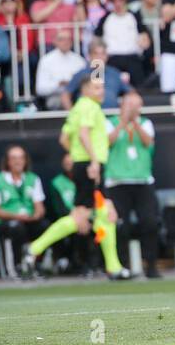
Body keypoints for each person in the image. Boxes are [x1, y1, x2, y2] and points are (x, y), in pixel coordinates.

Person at [21, 74, 130, 280]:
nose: (102, 92)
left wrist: (77, 155)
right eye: (97, 89)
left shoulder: (76, 109)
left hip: (84, 164)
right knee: (81, 215)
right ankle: (34, 249)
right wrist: (93, 161)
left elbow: (64, 138)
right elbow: (83, 134)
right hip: (91, 165)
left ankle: (114, 267)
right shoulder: (90, 107)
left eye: (102, 88)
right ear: (86, 90)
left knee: (105, 214)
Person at [104, 90, 161, 279]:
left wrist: (134, 122)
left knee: (150, 222)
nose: (135, 109)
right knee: (120, 225)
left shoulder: (145, 123)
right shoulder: (109, 122)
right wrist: (123, 122)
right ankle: (122, 267)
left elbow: (148, 143)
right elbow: (106, 143)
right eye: (131, 105)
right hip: (117, 182)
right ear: (122, 105)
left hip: (142, 181)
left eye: (138, 105)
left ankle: (151, 265)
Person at [0, 146, 47, 276]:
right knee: (16, 227)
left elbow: (39, 206)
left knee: (44, 226)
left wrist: (36, 215)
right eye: (14, 158)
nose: (17, 162)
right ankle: (17, 266)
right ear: (7, 162)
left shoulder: (33, 179)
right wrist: (17, 216)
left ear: (25, 161)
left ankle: (36, 263)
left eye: (21, 158)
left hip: (29, 220)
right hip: (7, 222)